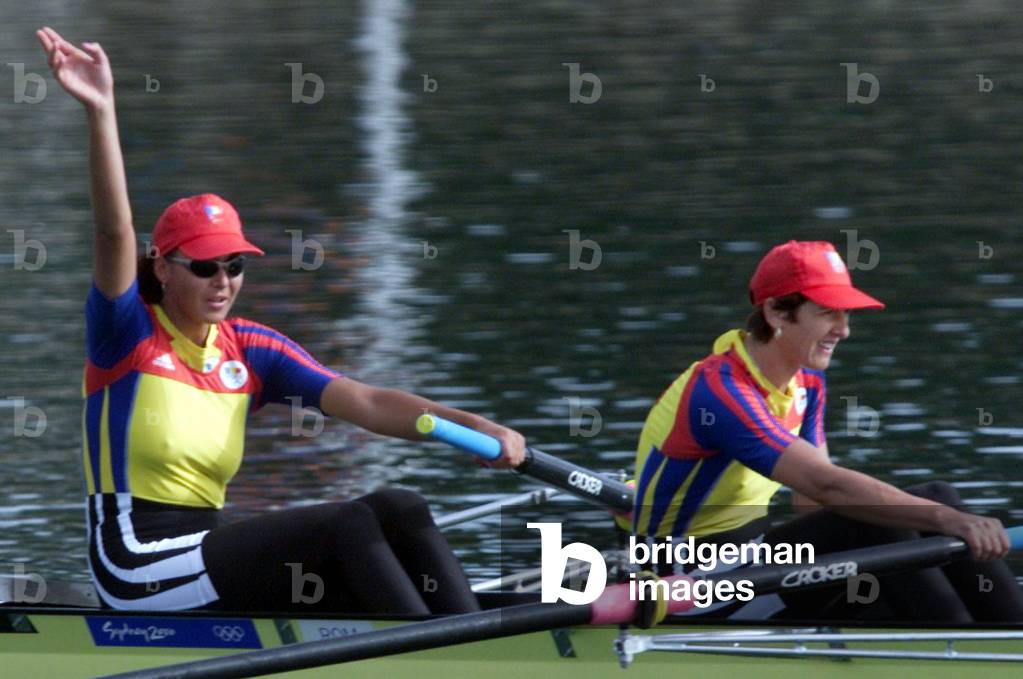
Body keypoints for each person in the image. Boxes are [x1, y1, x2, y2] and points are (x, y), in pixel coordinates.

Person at [37, 26, 526, 614]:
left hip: (206, 550)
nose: (223, 280)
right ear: (163, 269)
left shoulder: (251, 349)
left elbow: (368, 403)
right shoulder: (127, 335)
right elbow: (113, 232)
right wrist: (101, 110)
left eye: (235, 264)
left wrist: (478, 427)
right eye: (205, 266)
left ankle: (467, 644)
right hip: (135, 560)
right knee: (345, 524)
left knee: (399, 506)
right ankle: (436, 661)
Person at [631, 239, 1023, 622]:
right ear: (777, 313)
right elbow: (825, 485)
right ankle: (965, 647)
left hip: (753, 560)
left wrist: (927, 523)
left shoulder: (806, 380)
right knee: (881, 518)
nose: (844, 330)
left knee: (935, 497)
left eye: (846, 314)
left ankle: (1003, 631)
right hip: (680, 583)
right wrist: (945, 522)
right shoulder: (720, 392)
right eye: (827, 313)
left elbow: (808, 501)